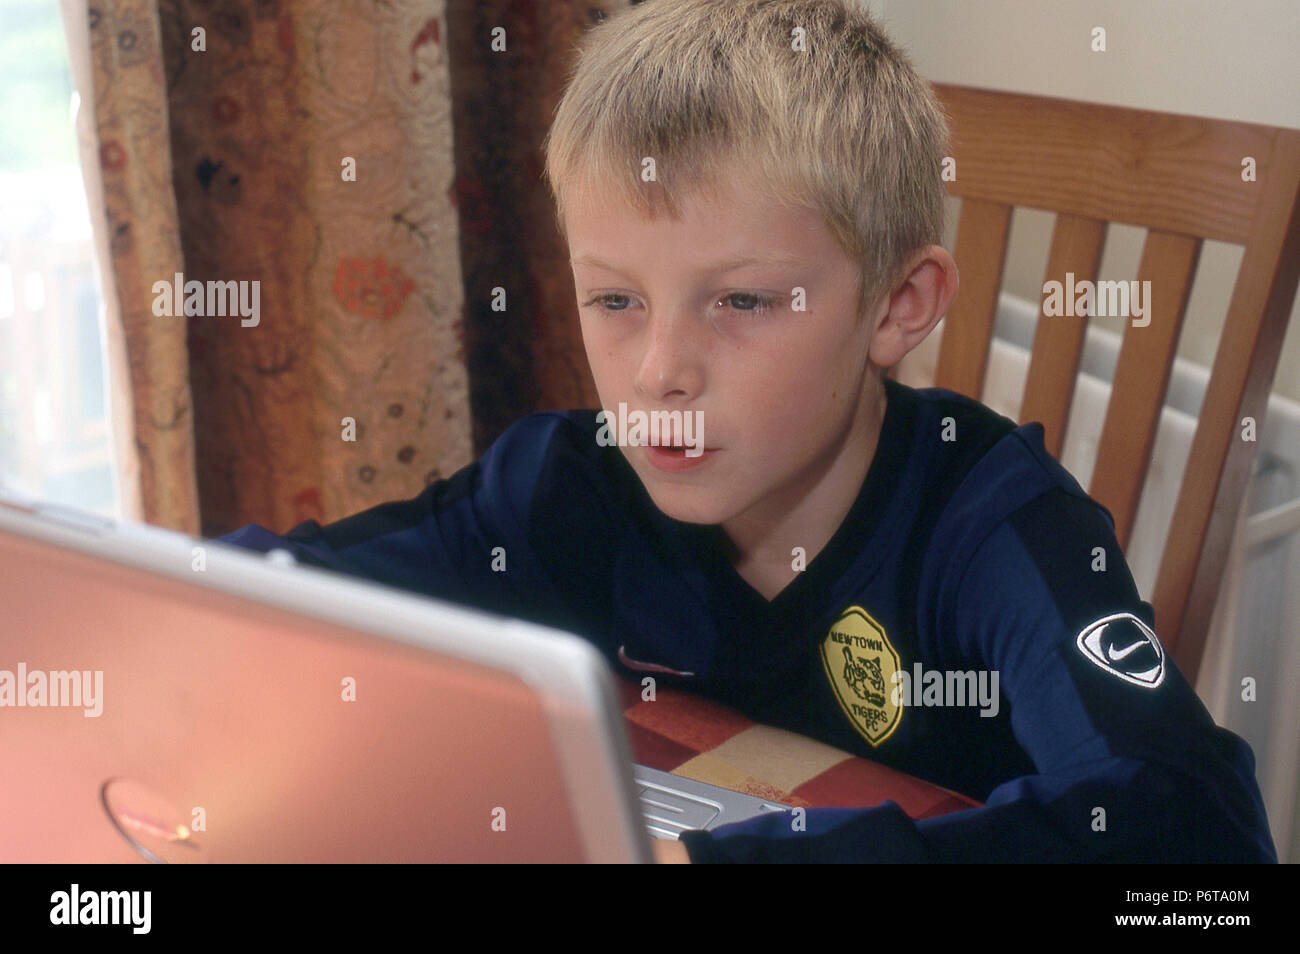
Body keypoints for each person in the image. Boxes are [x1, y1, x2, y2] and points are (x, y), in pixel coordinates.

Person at [220, 0, 1276, 863]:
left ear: (899, 305)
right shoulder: (564, 487)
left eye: (743, 302)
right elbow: (283, 601)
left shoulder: (996, 521)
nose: (658, 371)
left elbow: (1189, 826)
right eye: (615, 300)